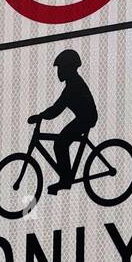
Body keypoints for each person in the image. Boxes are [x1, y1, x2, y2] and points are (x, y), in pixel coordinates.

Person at [29, 50, 98, 194]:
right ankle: (65, 178)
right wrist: (41, 116)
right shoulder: (71, 83)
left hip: (86, 118)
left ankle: (65, 180)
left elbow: (57, 109)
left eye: (61, 68)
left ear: (69, 68)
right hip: (83, 117)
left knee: (60, 143)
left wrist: (40, 116)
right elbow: (57, 108)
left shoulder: (73, 85)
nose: (59, 72)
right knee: (61, 142)